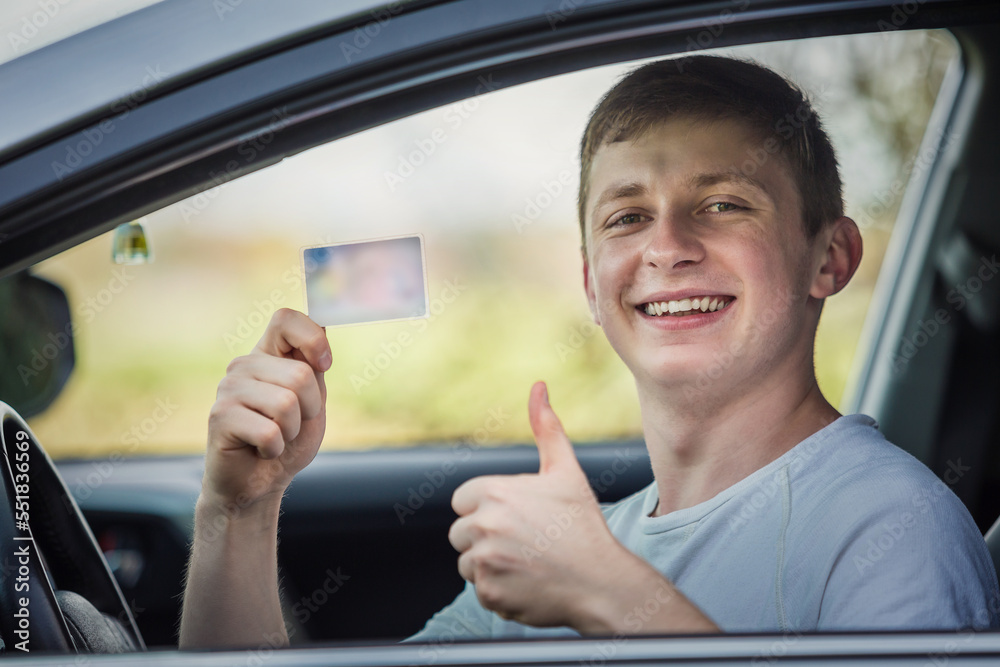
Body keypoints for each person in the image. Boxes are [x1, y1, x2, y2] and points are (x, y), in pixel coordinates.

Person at [178, 55, 1000, 648]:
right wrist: (240, 514)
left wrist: (610, 598)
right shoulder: (578, 543)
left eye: (722, 203)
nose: (667, 246)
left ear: (831, 258)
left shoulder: (893, 524)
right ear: (590, 282)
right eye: (626, 216)